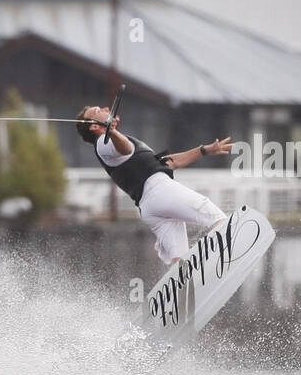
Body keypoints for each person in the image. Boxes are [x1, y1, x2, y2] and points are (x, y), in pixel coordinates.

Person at [76, 105, 235, 265]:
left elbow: (169, 163)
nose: (105, 108)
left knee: (179, 260)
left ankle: (186, 278)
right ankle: (234, 249)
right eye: (97, 111)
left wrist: (204, 150)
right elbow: (125, 149)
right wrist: (112, 132)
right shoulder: (103, 143)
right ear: (94, 126)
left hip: (151, 205)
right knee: (215, 216)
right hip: (159, 192)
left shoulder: (113, 141)